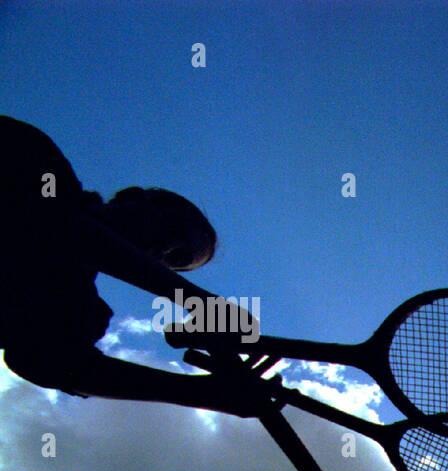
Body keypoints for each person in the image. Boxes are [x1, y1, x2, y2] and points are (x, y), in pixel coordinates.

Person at [0, 115, 263, 416]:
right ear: (132, 196)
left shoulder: (71, 303)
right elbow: (61, 228)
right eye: (170, 226)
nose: (163, 248)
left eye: (174, 260)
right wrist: (196, 300)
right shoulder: (42, 161)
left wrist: (199, 393)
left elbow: (46, 361)